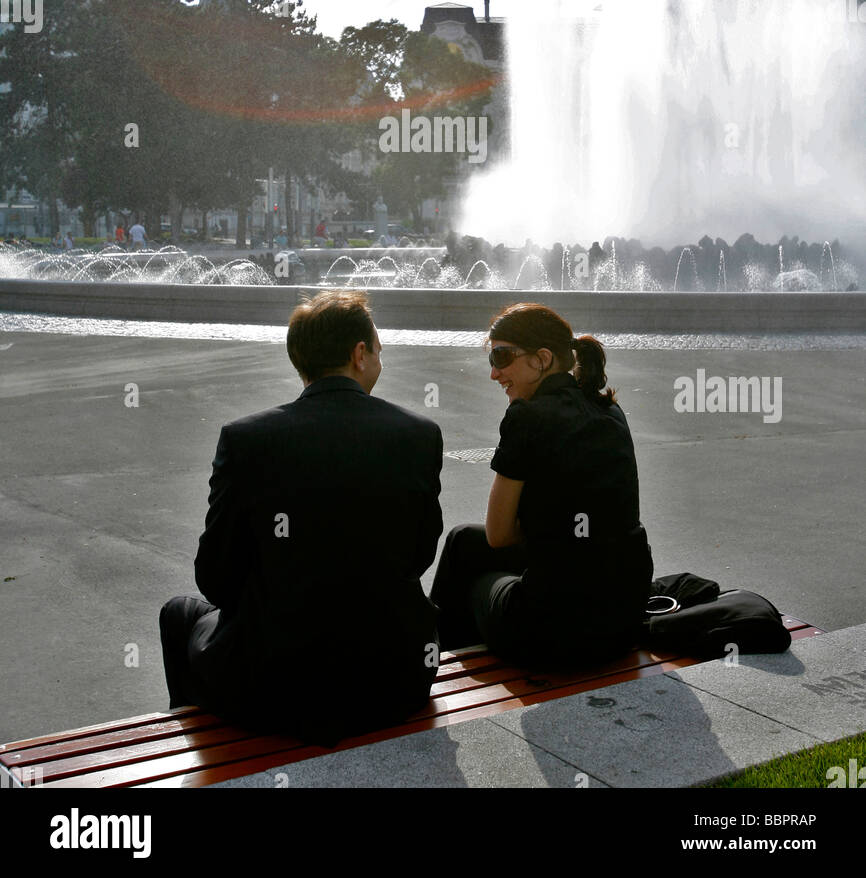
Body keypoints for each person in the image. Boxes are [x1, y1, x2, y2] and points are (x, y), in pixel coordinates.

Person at [159, 290, 443, 742]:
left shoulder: (247, 439)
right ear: (359, 353)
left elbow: (214, 578)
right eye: (379, 351)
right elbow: (418, 556)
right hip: (396, 679)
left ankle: (198, 748)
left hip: (275, 690)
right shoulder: (419, 434)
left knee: (179, 613)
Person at [431, 302, 653, 666]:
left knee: (466, 557)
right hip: (624, 616)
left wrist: (549, 531)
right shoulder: (607, 409)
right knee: (463, 541)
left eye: (502, 357)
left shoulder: (527, 418)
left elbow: (498, 535)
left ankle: (439, 661)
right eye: (492, 358)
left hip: (551, 632)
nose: (494, 373)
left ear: (543, 358)